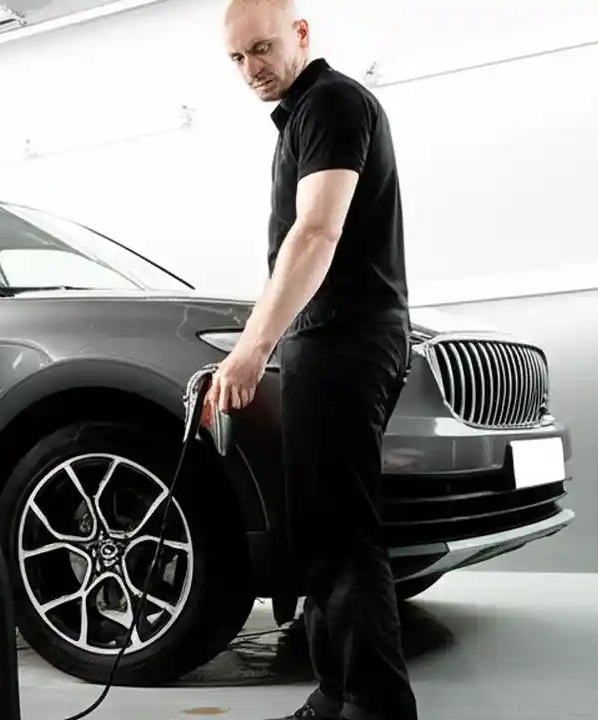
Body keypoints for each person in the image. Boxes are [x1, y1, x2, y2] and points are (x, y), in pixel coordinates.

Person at [208, 1, 419, 719]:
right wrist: (254, 342)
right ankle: (337, 694)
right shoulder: (303, 116)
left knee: (344, 536)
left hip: (347, 342)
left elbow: (316, 234)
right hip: (329, 342)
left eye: (262, 48)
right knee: (322, 535)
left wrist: (250, 349)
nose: (250, 69)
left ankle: (373, 706)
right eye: (236, 58)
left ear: (302, 34)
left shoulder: (331, 102)